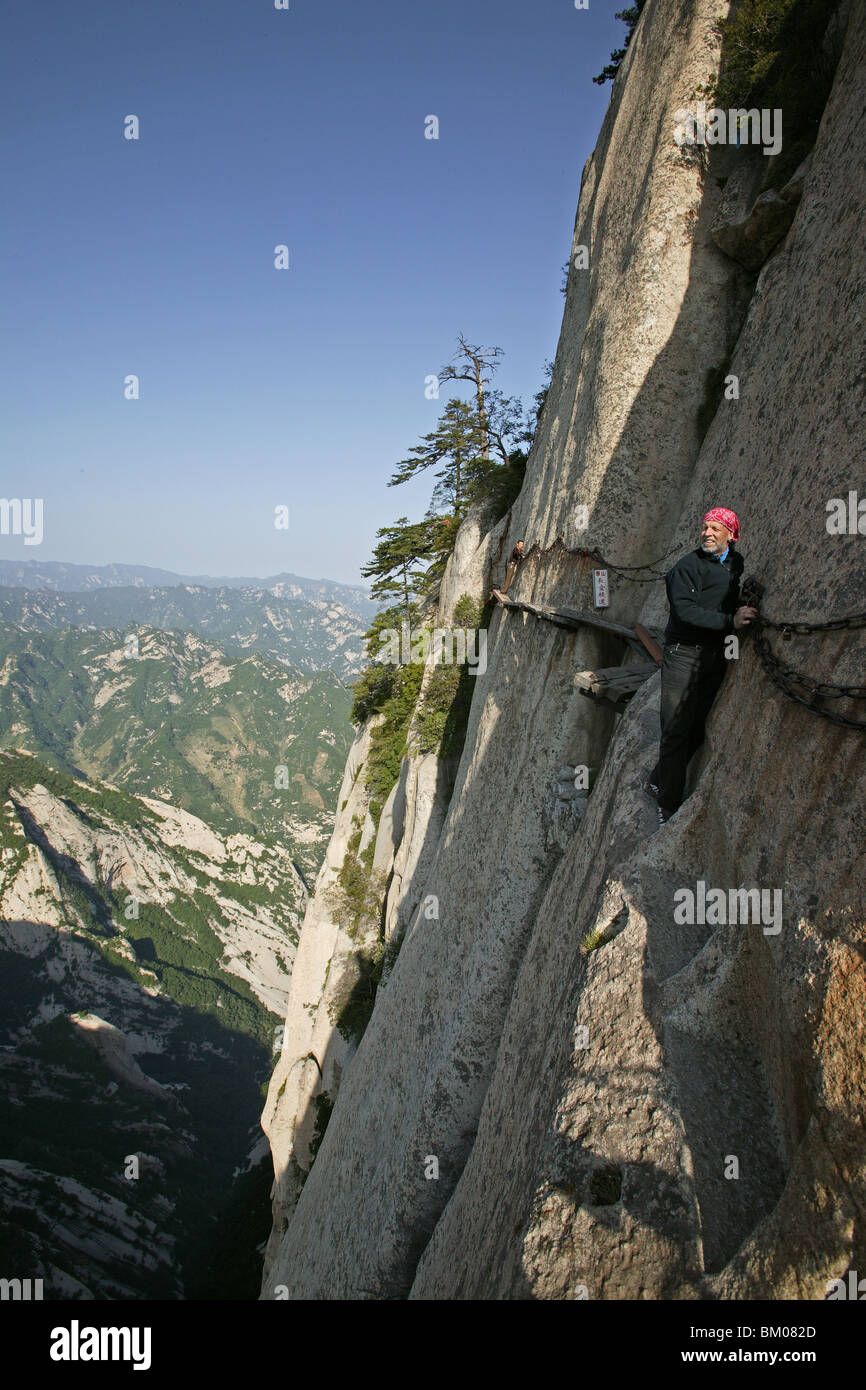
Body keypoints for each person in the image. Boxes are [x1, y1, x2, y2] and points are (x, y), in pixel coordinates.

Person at [647, 508, 757, 827]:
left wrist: (739, 609)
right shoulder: (686, 568)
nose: (707, 533)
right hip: (683, 654)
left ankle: (658, 777)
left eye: (715, 529)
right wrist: (730, 621)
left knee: (696, 726)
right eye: (705, 527)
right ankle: (666, 803)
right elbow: (685, 612)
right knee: (675, 727)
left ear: (731, 536)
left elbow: (724, 599)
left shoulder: (734, 563)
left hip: (714, 655)